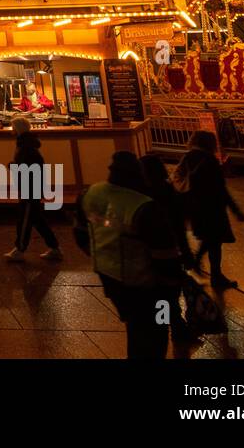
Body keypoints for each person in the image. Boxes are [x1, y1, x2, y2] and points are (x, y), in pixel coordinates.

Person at [77, 152, 182, 359]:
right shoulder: (144, 206)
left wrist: (96, 253)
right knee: (157, 330)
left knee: (135, 324)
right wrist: (172, 287)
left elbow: (80, 231)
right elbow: (165, 256)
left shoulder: (92, 193)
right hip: (148, 284)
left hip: (111, 278)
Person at [174, 130, 244, 289]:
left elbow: (178, 179)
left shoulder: (187, 157)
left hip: (194, 207)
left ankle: (207, 269)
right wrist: (235, 210)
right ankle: (212, 273)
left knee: (210, 239)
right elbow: (221, 189)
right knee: (214, 242)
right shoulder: (210, 160)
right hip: (212, 208)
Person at [3, 118, 62, 262]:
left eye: (13, 127)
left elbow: (28, 168)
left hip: (30, 189)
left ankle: (20, 249)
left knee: (24, 220)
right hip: (31, 187)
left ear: (17, 129)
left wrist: (13, 166)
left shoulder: (26, 147)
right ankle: (54, 248)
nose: (11, 130)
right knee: (37, 219)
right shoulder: (28, 144)